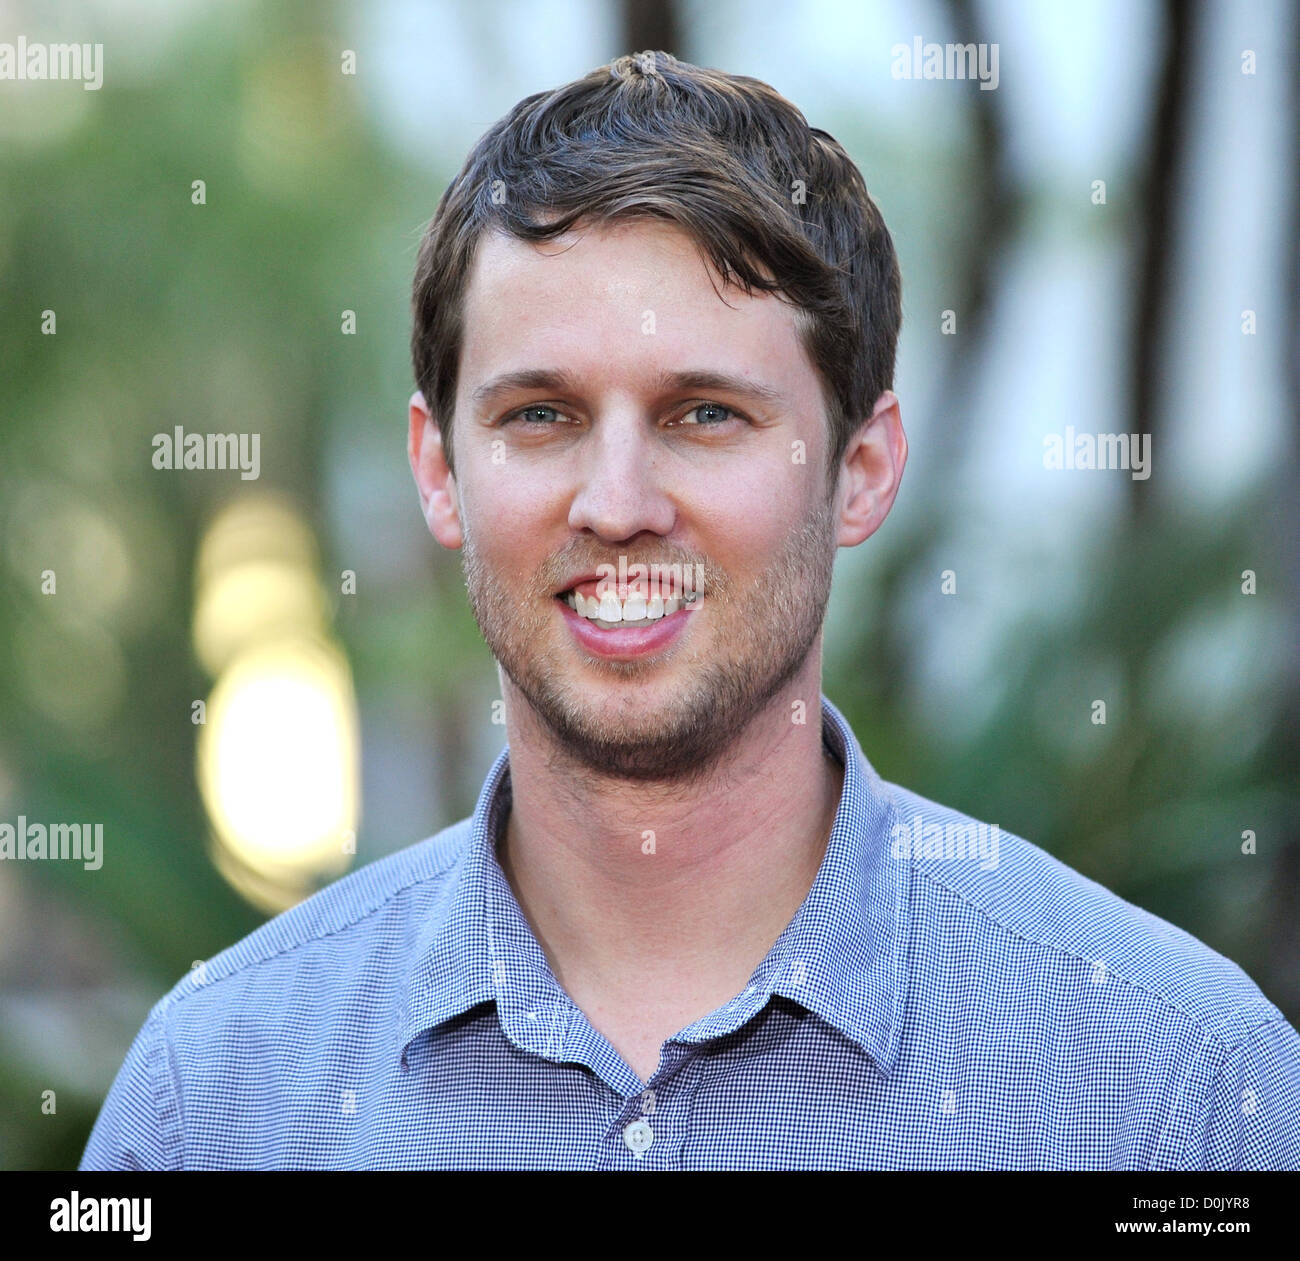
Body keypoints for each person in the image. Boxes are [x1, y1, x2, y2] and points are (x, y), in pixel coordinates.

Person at [82, 50, 1300, 1171]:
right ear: (438, 471)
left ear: (860, 470)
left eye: (704, 414)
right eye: (540, 416)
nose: (616, 505)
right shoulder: (215, 1097)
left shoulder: (1175, 1089)